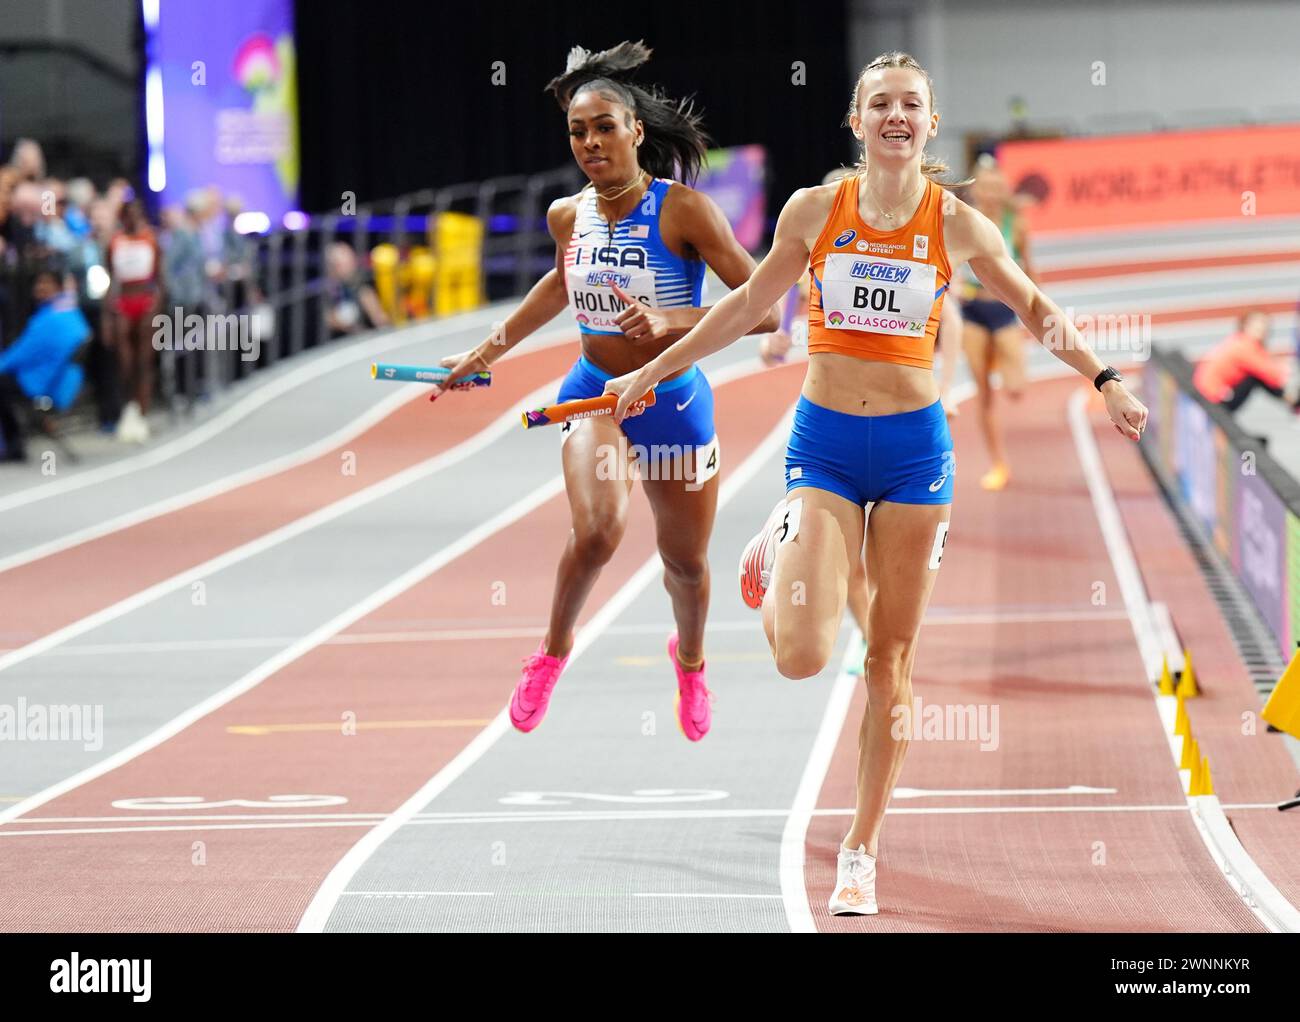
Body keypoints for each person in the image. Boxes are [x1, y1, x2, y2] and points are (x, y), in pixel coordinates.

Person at [603, 51, 1146, 913]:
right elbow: (746, 309)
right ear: (857, 122)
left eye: (912, 105)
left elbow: (1035, 307)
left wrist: (1104, 379)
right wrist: (654, 371)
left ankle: (862, 845)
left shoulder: (959, 225)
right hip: (823, 448)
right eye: (881, 103)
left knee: (890, 656)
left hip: (914, 455)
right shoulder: (816, 210)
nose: (897, 115)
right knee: (801, 656)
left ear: (931, 124)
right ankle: (783, 536)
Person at [434, 40, 779, 741]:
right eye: (577, 131)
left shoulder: (685, 211)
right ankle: (549, 658)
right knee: (597, 533)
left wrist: (672, 318)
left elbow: (765, 308)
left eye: (603, 128)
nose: (590, 142)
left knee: (684, 565)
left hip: (673, 401)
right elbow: (561, 285)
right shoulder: (569, 215)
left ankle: (689, 662)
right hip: (594, 395)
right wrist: (485, 350)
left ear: (636, 131)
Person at [958, 154, 1037, 490]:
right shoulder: (965, 220)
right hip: (972, 310)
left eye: (995, 186)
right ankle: (998, 464)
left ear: (1003, 189)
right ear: (976, 189)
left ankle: (998, 355)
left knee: (1016, 389)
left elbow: (1030, 269)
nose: (989, 192)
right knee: (984, 392)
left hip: (1004, 309)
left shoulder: (1014, 222)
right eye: (984, 186)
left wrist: (1038, 315)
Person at [0, 269, 89, 462]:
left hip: (44, 384)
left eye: (46, 283)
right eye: (38, 283)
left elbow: (21, 353)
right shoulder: (68, 311)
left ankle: (14, 446)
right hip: (61, 381)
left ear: (57, 286)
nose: (40, 288)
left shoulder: (50, 319)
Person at [106, 199, 163, 442]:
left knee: (143, 360)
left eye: (136, 214)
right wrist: (108, 314)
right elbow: (109, 278)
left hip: (145, 299)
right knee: (125, 362)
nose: (132, 219)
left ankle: (143, 409)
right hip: (124, 301)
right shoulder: (115, 241)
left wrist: (155, 308)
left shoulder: (151, 239)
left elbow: (160, 278)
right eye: (128, 214)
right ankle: (129, 407)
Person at [1193, 310, 1299, 414]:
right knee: (1256, 377)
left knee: (1258, 376)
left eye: (1265, 326)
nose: (1262, 329)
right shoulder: (1243, 346)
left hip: (1212, 393)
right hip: (1214, 398)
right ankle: (1294, 402)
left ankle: (1293, 401)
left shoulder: (1240, 341)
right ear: (1245, 326)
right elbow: (1271, 374)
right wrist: (1286, 370)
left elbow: (1267, 366)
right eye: (1257, 326)